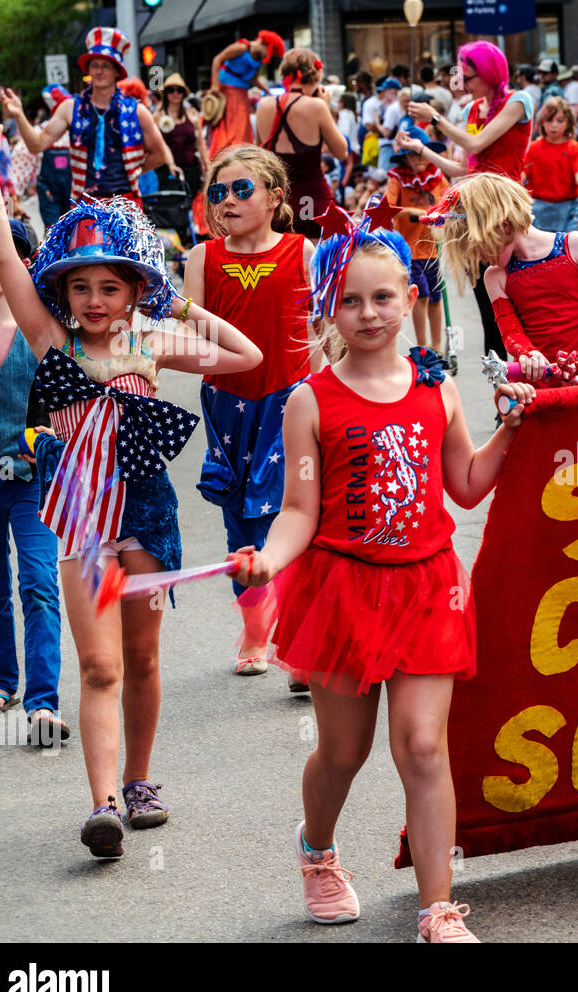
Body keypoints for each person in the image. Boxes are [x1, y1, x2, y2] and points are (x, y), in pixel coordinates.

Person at [0, 101, 263, 858]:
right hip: (81, 520)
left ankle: (139, 778)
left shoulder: (152, 336)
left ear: (132, 290)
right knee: (98, 663)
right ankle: (101, 805)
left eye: (112, 286)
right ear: (61, 291)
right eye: (82, 287)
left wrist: (175, 300)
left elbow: (247, 355)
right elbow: (0, 250)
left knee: (145, 659)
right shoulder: (48, 335)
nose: (95, 300)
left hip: (148, 517)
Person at [229, 220, 534, 940]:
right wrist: (270, 559)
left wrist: (512, 430)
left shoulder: (437, 384)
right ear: (329, 309)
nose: (368, 314)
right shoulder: (310, 400)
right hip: (344, 588)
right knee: (344, 751)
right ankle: (318, 850)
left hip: (428, 587)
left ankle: (438, 906)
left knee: (424, 746)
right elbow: (300, 509)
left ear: (407, 299)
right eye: (352, 301)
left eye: (383, 298)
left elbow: (463, 484)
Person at [181, 146, 316, 678]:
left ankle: (300, 644)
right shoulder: (202, 258)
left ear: (275, 197)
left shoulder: (304, 251)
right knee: (240, 525)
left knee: (295, 516)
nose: (228, 201)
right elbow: (189, 332)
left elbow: (322, 331)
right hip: (228, 408)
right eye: (218, 193)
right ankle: (257, 628)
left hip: (292, 404)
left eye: (242, 190)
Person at [0, 212, 65, 742]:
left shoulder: (44, 327)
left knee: (40, 584)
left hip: (34, 481)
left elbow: (70, 403)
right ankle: (2, 681)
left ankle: (43, 703)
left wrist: (46, 433)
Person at [399, 41, 534, 364]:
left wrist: (435, 118)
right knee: (487, 304)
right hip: (472, 211)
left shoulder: (518, 102)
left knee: (516, 297)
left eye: (469, 76)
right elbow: (464, 168)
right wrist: (421, 149)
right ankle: (502, 389)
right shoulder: (472, 109)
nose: (464, 83)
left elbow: (477, 142)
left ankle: (525, 372)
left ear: (488, 73)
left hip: (503, 209)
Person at [436, 172, 578, 383]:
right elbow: (510, 331)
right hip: (535, 390)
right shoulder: (496, 276)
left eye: (481, 249)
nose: (481, 259)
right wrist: (526, 352)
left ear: (504, 226)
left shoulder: (574, 246)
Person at [0, 28, 177, 206]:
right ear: (89, 70)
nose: (99, 71)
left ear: (117, 71)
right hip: (86, 206)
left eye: (105, 66)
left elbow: (160, 154)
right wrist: (19, 115)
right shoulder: (70, 108)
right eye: (94, 65)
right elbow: (36, 145)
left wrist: (133, 171)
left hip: (126, 205)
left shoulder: (136, 111)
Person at [256, 49, 350, 239]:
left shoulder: (264, 105)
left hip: (277, 203)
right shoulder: (317, 106)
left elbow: (259, 154)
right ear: (315, 78)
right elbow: (342, 153)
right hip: (313, 200)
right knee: (321, 262)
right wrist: (325, 107)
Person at [382, 127, 450, 360]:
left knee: (436, 297)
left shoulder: (438, 177)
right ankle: (423, 348)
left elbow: (450, 202)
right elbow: (387, 210)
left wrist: (441, 214)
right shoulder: (397, 179)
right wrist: (413, 211)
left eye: (422, 153)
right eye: (414, 154)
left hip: (434, 247)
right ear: (406, 156)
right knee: (420, 296)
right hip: (411, 250)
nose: (420, 159)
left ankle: (438, 345)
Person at [208, 31, 286, 156]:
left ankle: (240, 156)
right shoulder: (242, 47)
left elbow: (253, 80)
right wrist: (215, 84)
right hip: (227, 88)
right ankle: (226, 156)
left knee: (243, 126)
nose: (269, 56)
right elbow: (217, 60)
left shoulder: (258, 59)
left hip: (241, 91)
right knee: (230, 127)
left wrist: (267, 91)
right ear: (265, 44)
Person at [155, 73, 210, 246]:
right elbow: (155, 144)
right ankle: (174, 241)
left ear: (184, 93)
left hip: (190, 168)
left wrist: (208, 166)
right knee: (171, 204)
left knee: (189, 202)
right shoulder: (157, 116)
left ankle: (187, 238)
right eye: (171, 90)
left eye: (179, 90)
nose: (175, 94)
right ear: (166, 94)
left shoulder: (192, 114)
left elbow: (200, 143)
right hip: (165, 170)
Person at [523, 97, 578, 233]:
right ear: (542, 122)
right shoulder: (532, 148)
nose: (554, 125)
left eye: (560, 121)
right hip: (538, 208)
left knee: (568, 249)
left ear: (568, 123)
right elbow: (520, 176)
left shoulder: (576, 148)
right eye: (549, 120)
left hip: (568, 208)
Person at [34, 85, 73, 227]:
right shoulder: (43, 132)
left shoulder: (78, 132)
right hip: (50, 191)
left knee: (73, 228)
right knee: (55, 230)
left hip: (74, 190)